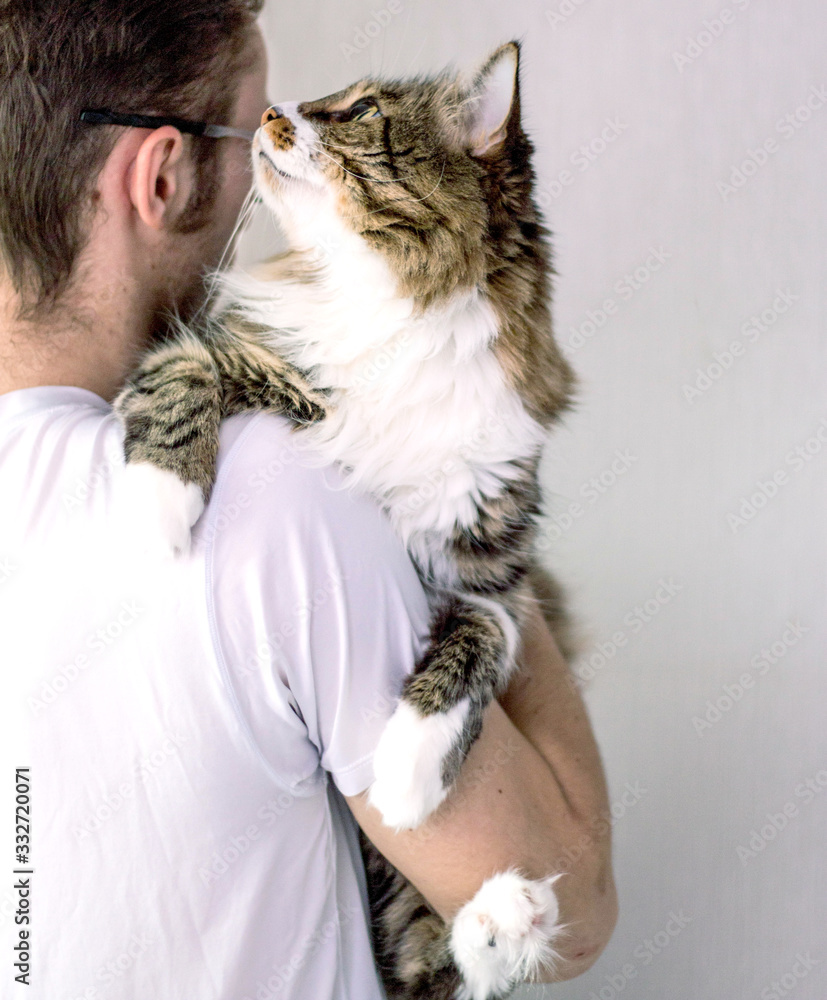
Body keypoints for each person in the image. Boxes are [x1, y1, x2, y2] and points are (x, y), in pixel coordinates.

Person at [0, 2, 618, 998]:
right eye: (244, 142)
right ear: (161, 177)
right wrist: (488, 546)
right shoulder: (279, 488)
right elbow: (572, 898)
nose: (257, 180)